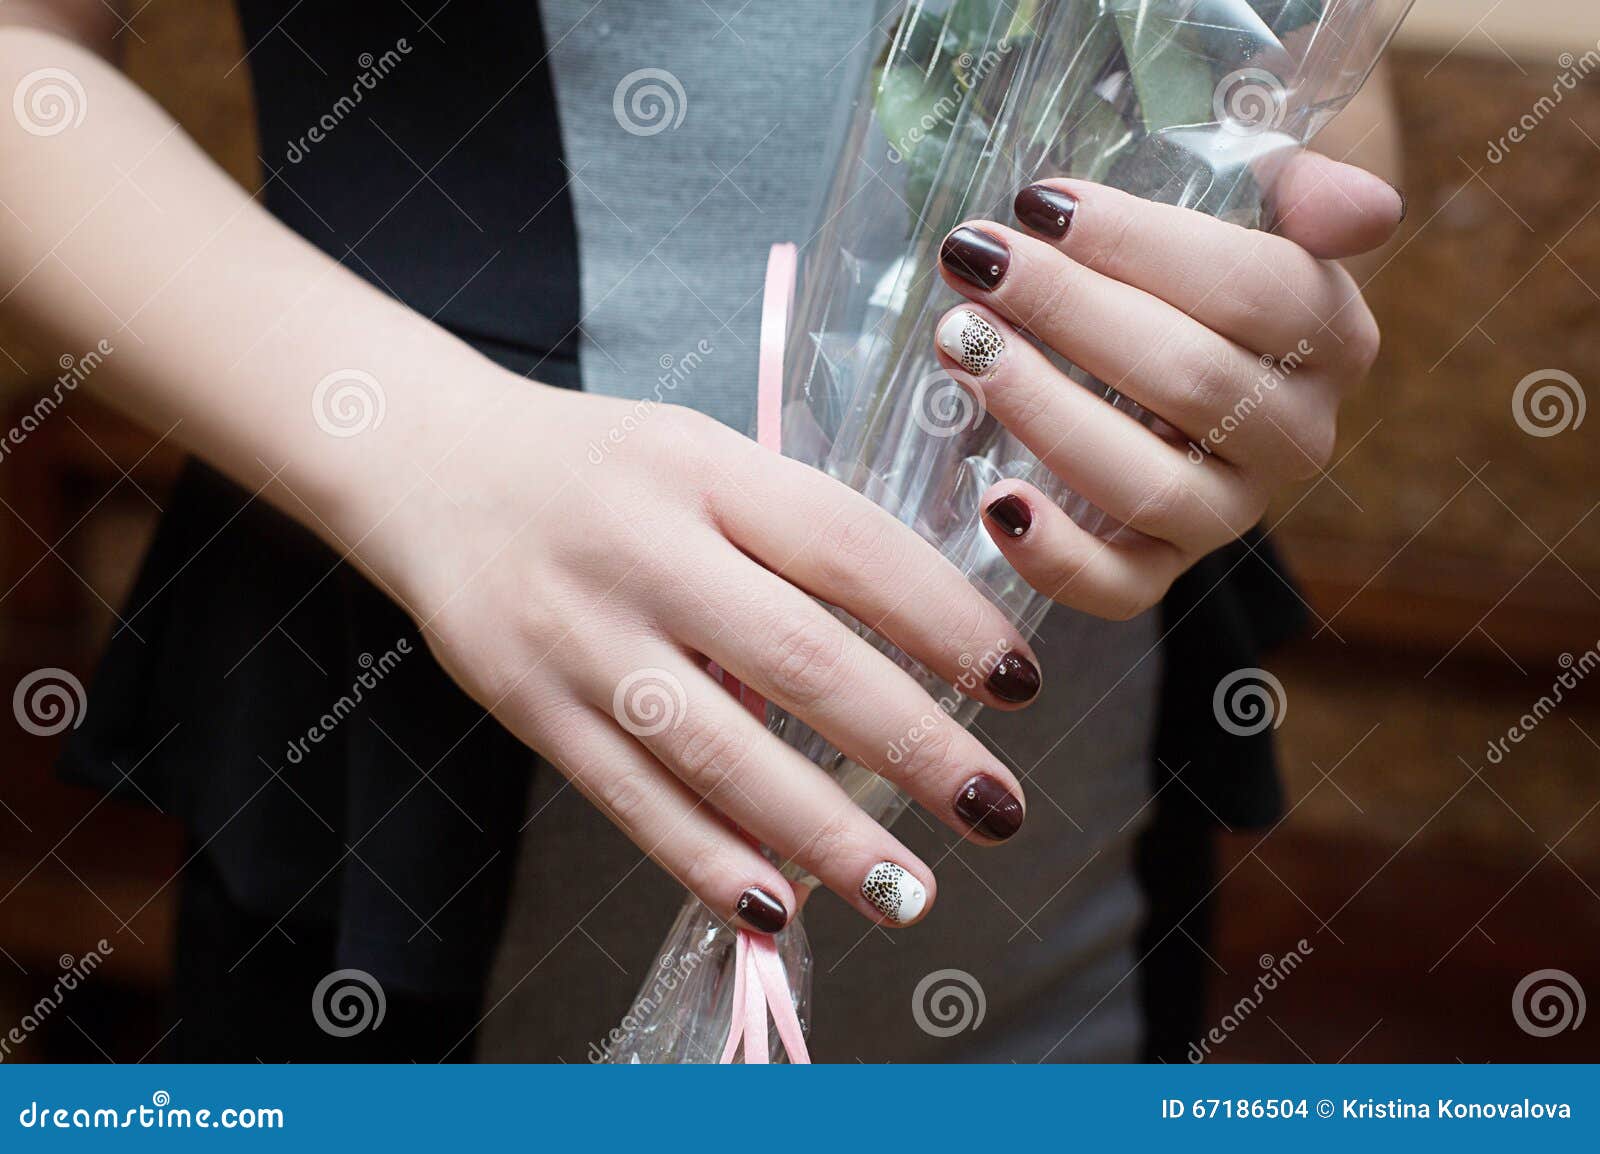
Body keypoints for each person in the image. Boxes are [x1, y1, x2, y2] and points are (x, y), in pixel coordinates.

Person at [0, 2, 1401, 1061]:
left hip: (1070, 809)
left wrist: (1254, 324)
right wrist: (427, 454)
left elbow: (1319, 95)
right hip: (416, 734)